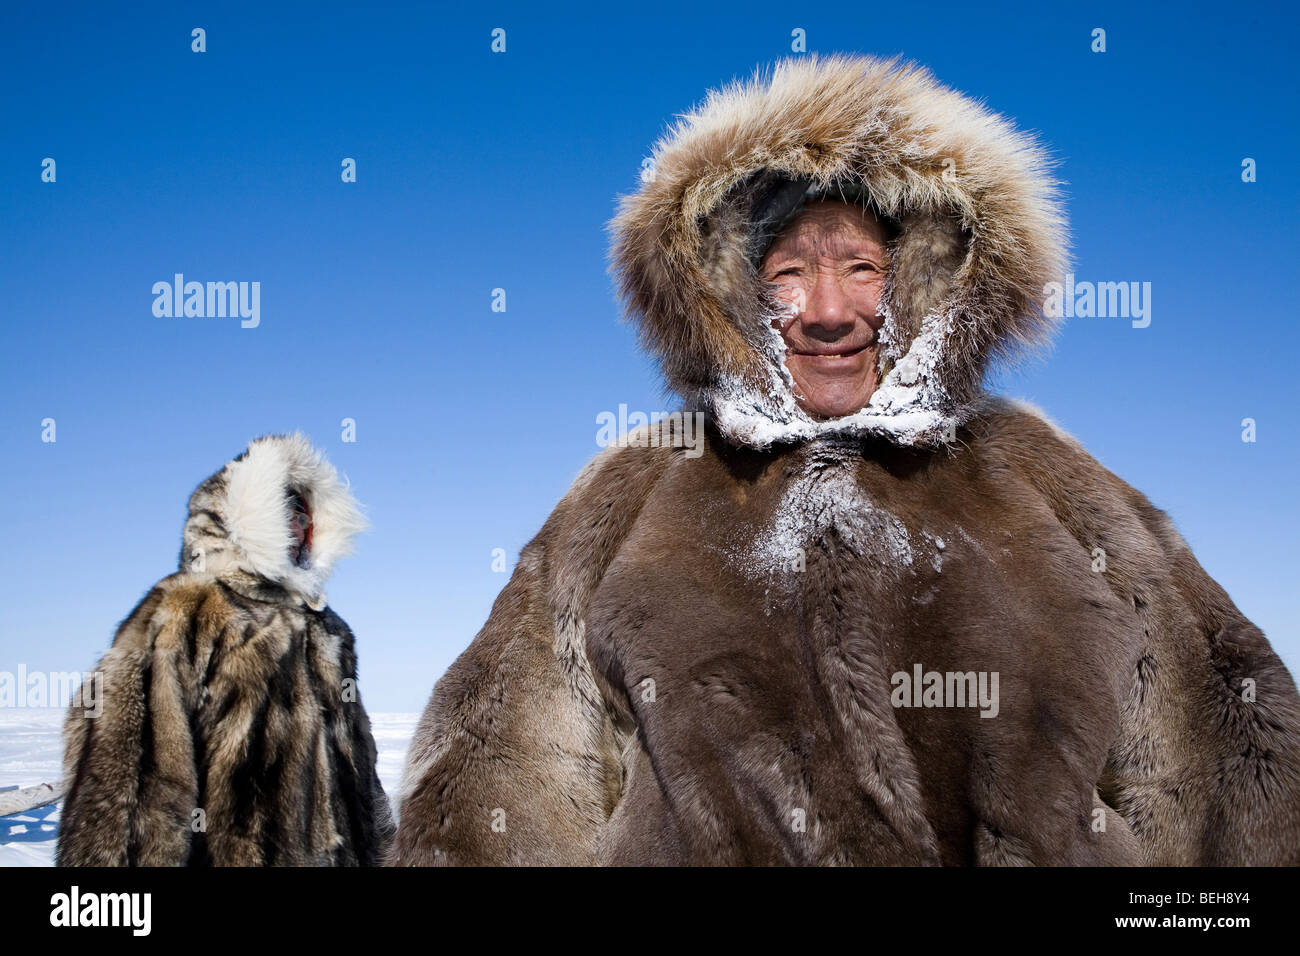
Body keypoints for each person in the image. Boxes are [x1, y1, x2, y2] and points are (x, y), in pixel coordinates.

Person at [389, 54, 1300, 865]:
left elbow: (1223, 751)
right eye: (787, 273)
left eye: (863, 269)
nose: (829, 310)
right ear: (730, 296)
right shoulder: (632, 488)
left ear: (924, 279)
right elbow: (496, 772)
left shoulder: (1044, 476)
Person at [57, 433, 393, 866]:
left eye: (306, 515)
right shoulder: (182, 616)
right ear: (245, 515)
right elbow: (122, 782)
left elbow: (361, 783)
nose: (300, 528)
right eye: (287, 510)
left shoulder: (329, 633)